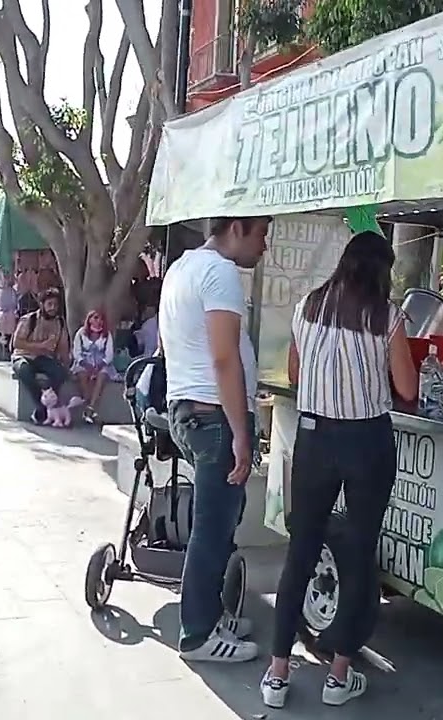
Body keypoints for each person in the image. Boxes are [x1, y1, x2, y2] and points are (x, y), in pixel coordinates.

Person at [260, 231, 417, 708]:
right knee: (359, 555)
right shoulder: (386, 317)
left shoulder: (307, 307)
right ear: (381, 272)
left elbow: (294, 374)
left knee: (301, 553)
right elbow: (408, 387)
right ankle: (339, 675)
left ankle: (277, 672)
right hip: (367, 441)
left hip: (314, 438)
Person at [159, 215, 269, 663]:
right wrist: (241, 433)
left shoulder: (181, 268)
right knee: (212, 529)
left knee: (220, 523)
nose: (265, 246)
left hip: (190, 411)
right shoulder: (220, 272)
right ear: (236, 228)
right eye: (262, 233)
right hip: (214, 417)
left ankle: (211, 614)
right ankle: (198, 635)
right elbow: (225, 359)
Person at [10, 288, 71, 425]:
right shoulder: (29, 320)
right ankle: (41, 406)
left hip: (44, 359)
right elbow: (16, 343)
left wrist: (67, 364)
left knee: (60, 373)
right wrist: (41, 345)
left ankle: (49, 404)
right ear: (42, 304)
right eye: (49, 304)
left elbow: (63, 347)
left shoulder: (59, 323)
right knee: (24, 371)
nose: (53, 308)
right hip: (23, 356)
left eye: (55, 305)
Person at [70, 310, 119, 423]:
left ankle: (90, 408)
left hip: (101, 363)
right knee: (82, 375)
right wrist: (85, 364)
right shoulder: (81, 333)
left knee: (102, 377)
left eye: (101, 319)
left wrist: (100, 365)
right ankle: (87, 403)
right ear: (89, 319)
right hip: (84, 362)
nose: (99, 321)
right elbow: (76, 352)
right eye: (96, 318)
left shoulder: (107, 334)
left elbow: (109, 354)